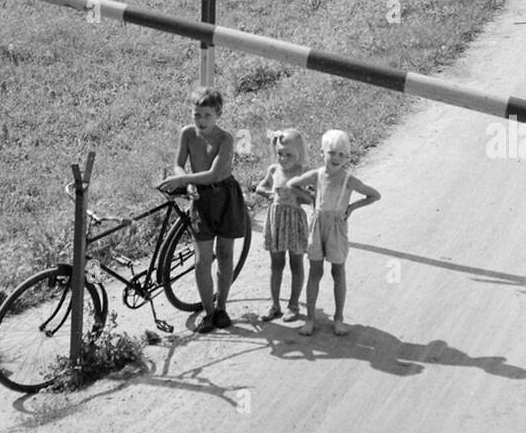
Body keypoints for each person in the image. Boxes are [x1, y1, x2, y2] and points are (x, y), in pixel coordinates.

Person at [159, 89, 249, 333]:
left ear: (218, 114)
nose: (201, 121)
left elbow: (213, 174)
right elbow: (178, 164)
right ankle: (208, 312)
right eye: (197, 114)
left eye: (207, 115)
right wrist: (186, 181)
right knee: (202, 260)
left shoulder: (226, 139)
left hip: (225, 196)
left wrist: (184, 180)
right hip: (200, 198)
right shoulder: (187, 133)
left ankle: (221, 307)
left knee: (225, 254)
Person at [281, 130, 380, 337]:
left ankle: (338, 318)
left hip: (337, 228)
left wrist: (351, 208)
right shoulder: (317, 175)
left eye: (341, 155)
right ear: (322, 152)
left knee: (338, 272)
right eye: (332, 153)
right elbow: (292, 184)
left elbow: (374, 195)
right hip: (317, 226)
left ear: (346, 157)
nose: (336, 158)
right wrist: (310, 199)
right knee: (315, 272)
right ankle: (310, 318)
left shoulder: (348, 179)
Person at [254, 128, 313, 322]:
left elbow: (313, 198)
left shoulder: (303, 173)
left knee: (296, 264)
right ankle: (274, 305)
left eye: (289, 155)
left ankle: (294, 305)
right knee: (276, 264)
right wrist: (270, 194)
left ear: (299, 154)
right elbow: (260, 187)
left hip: (295, 222)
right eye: (280, 153)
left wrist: (299, 195)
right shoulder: (274, 170)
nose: (283, 158)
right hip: (276, 221)